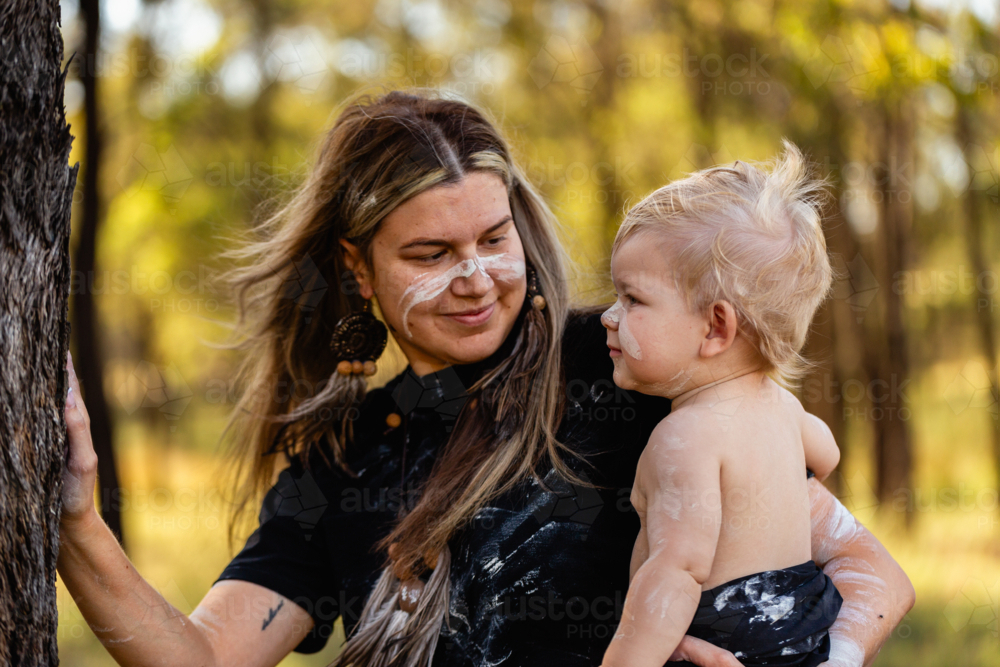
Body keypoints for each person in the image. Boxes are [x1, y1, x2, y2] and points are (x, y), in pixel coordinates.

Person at [58, 90, 914, 667]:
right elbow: (204, 656)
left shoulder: (630, 372)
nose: (475, 277)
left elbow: (865, 569)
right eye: (431, 253)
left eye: (493, 239)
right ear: (358, 269)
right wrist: (74, 522)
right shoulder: (346, 459)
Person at [599, 143, 849, 667]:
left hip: (731, 638)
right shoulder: (783, 409)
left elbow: (676, 572)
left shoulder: (683, 437)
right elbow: (825, 458)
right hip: (802, 627)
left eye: (632, 299)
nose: (608, 315)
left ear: (715, 327)